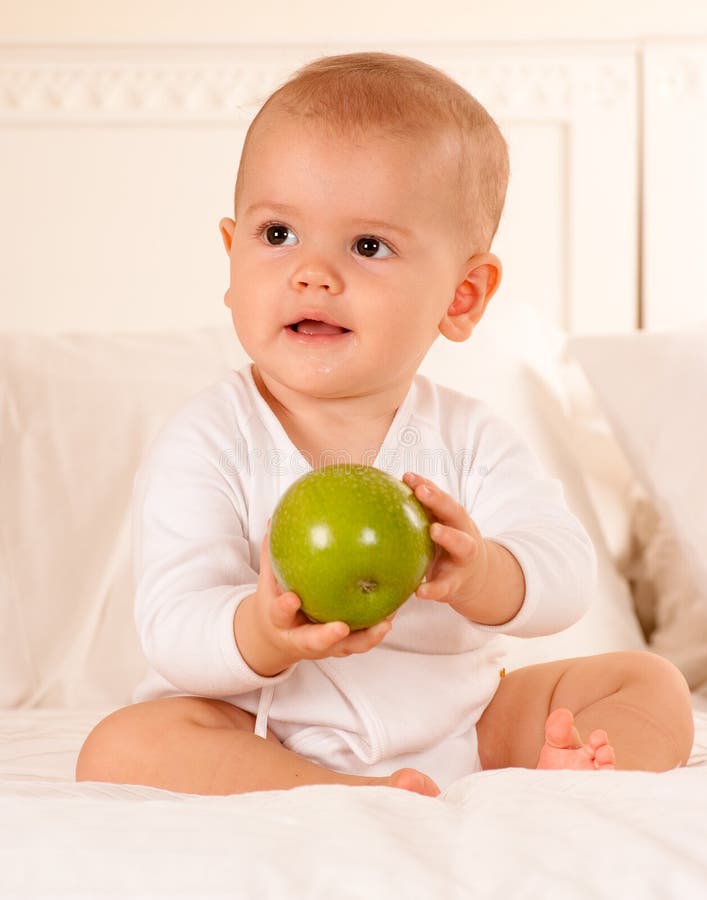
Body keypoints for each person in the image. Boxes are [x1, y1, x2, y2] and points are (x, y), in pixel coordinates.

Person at [76, 52, 694, 797]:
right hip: (264, 728)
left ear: (462, 296)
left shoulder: (468, 437)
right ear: (231, 256)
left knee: (647, 684)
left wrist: (482, 571)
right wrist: (263, 633)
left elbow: (564, 574)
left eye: (367, 246)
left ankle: (557, 786)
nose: (312, 273)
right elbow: (175, 628)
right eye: (277, 235)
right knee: (123, 747)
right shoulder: (208, 438)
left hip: (461, 725)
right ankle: (344, 796)